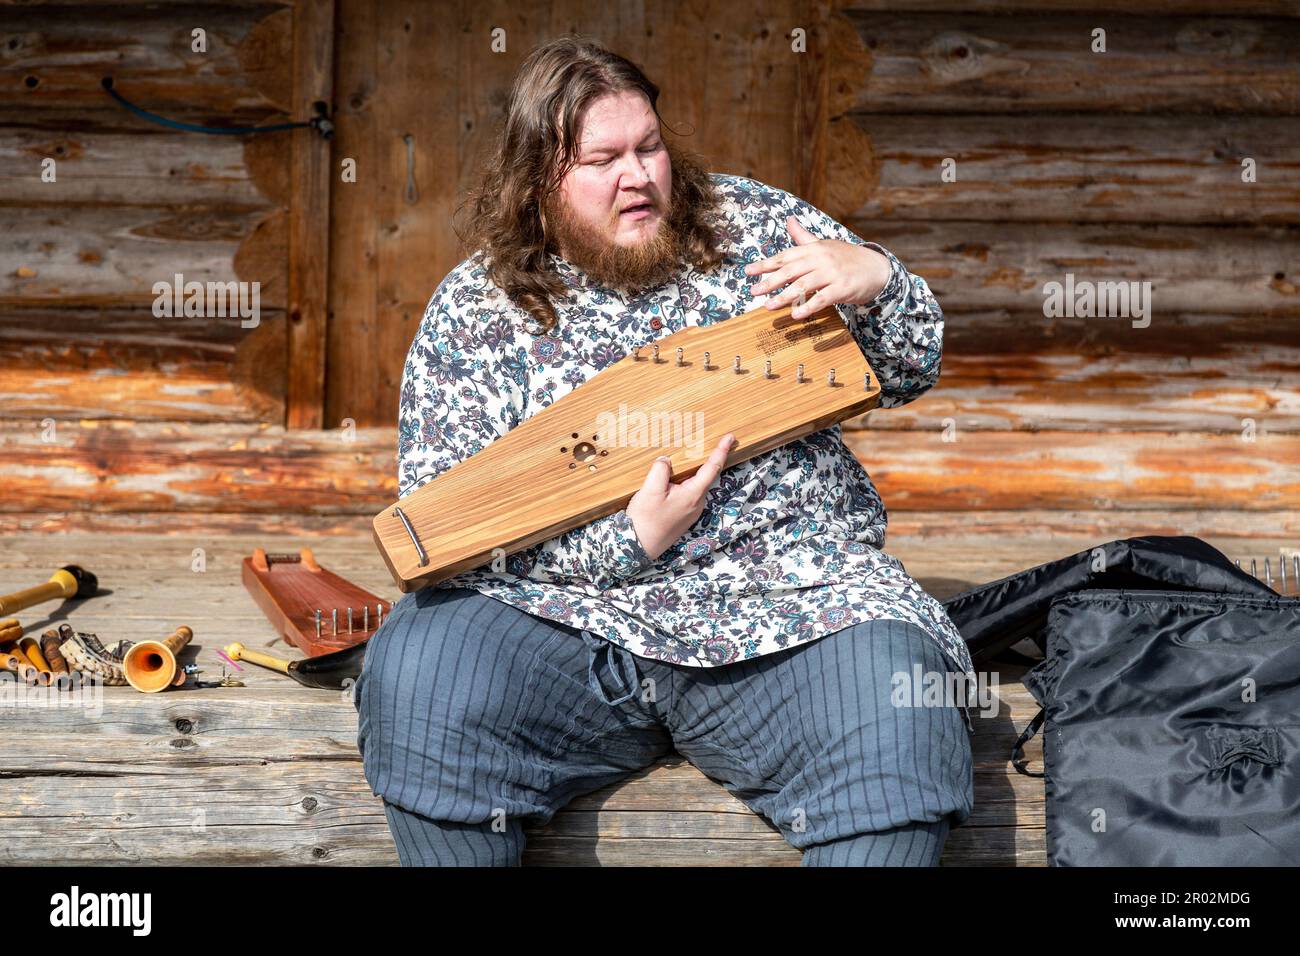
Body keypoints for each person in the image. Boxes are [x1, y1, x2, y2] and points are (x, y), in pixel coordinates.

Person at [355, 35, 975, 867]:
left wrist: (877, 277)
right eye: (603, 158)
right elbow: (441, 535)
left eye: (648, 147)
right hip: (568, 626)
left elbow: (906, 368)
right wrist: (626, 542)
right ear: (538, 181)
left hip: (786, 605)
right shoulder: (483, 307)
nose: (638, 175)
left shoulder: (752, 226)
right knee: (422, 670)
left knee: (892, 706)